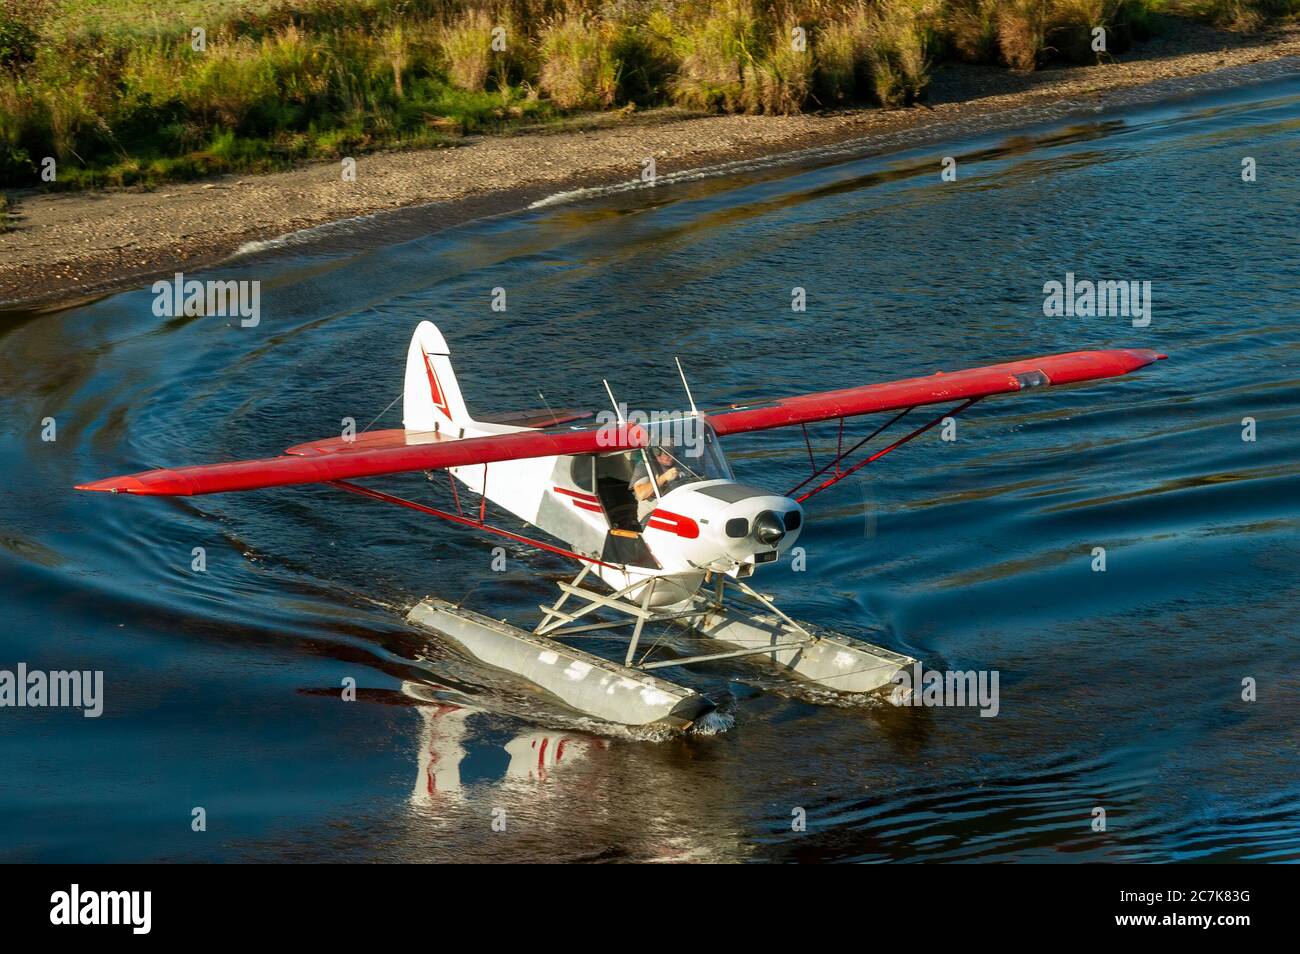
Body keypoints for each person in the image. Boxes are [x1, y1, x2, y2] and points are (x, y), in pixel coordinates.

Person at [630, 445, 686, 523]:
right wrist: (663, 478)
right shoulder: (644, 465)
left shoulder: (679, 464)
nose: (672, 457)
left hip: (677, 511)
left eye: (674, 454)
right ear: (657, 452)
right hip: (651, 517)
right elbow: (641, 494)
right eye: (667, 454)